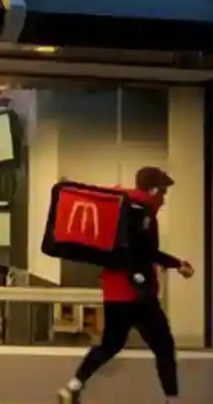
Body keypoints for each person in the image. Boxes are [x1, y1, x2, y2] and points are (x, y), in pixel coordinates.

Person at [59, 166, 194, 404]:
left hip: (114, 295)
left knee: (110, 345)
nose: (164, 199)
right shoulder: (142, 214)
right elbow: (146, 251)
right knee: (164, 346)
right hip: (137, 294)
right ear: (152, 190)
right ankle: (173, 400)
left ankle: (72, 387)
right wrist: (177, 264)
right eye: (163, 193)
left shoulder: (121, 206)